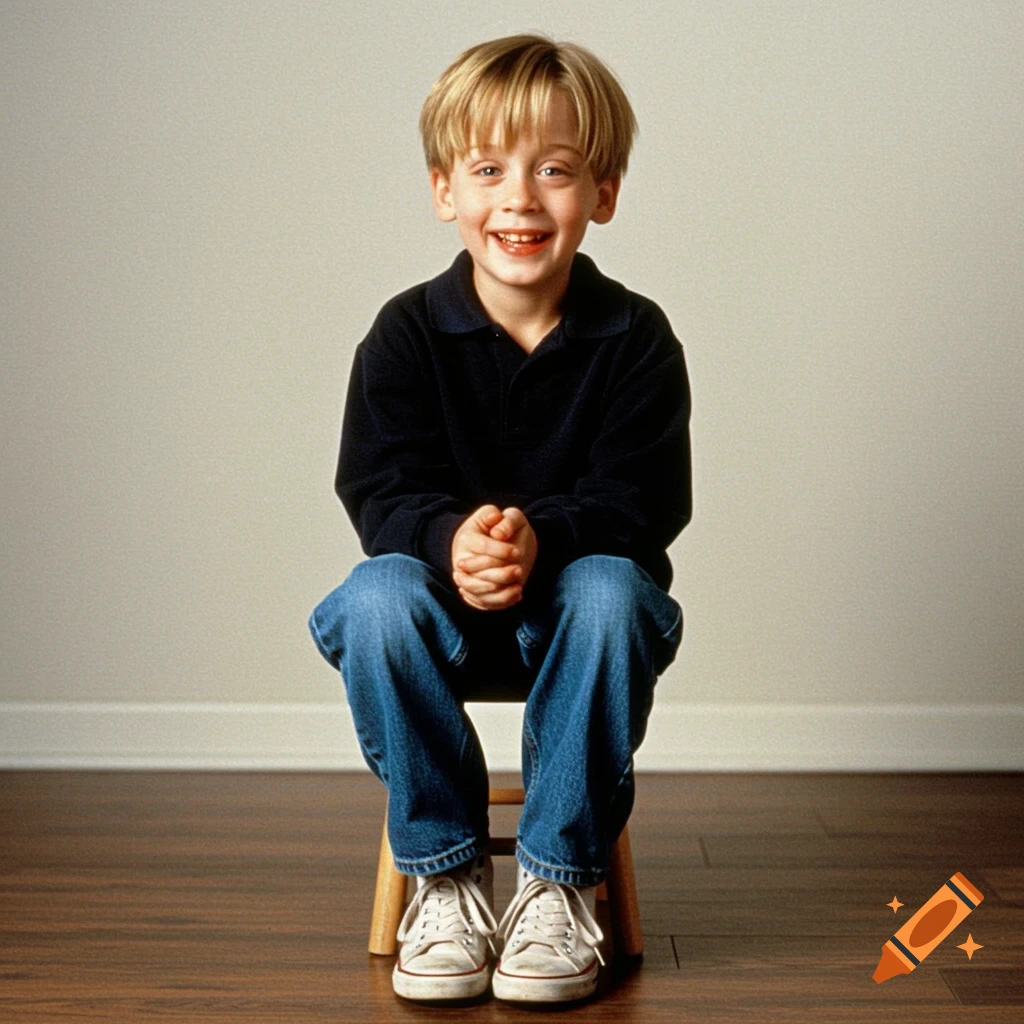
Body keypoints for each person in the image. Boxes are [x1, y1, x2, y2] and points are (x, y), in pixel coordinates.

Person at [308, 33, 691, 1005]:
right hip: (439, 615)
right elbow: (378, 486)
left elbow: (645, 500)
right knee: (372, 598)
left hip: (582, 624)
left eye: (553, 170)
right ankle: (444, 877)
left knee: (610, 589)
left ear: (602, 193)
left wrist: (540, 537)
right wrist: (452, 542)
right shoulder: (404, 333)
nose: (520, 198)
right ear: (445, 190)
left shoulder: (637, 338)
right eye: (488, 170)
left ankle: (558, 884)